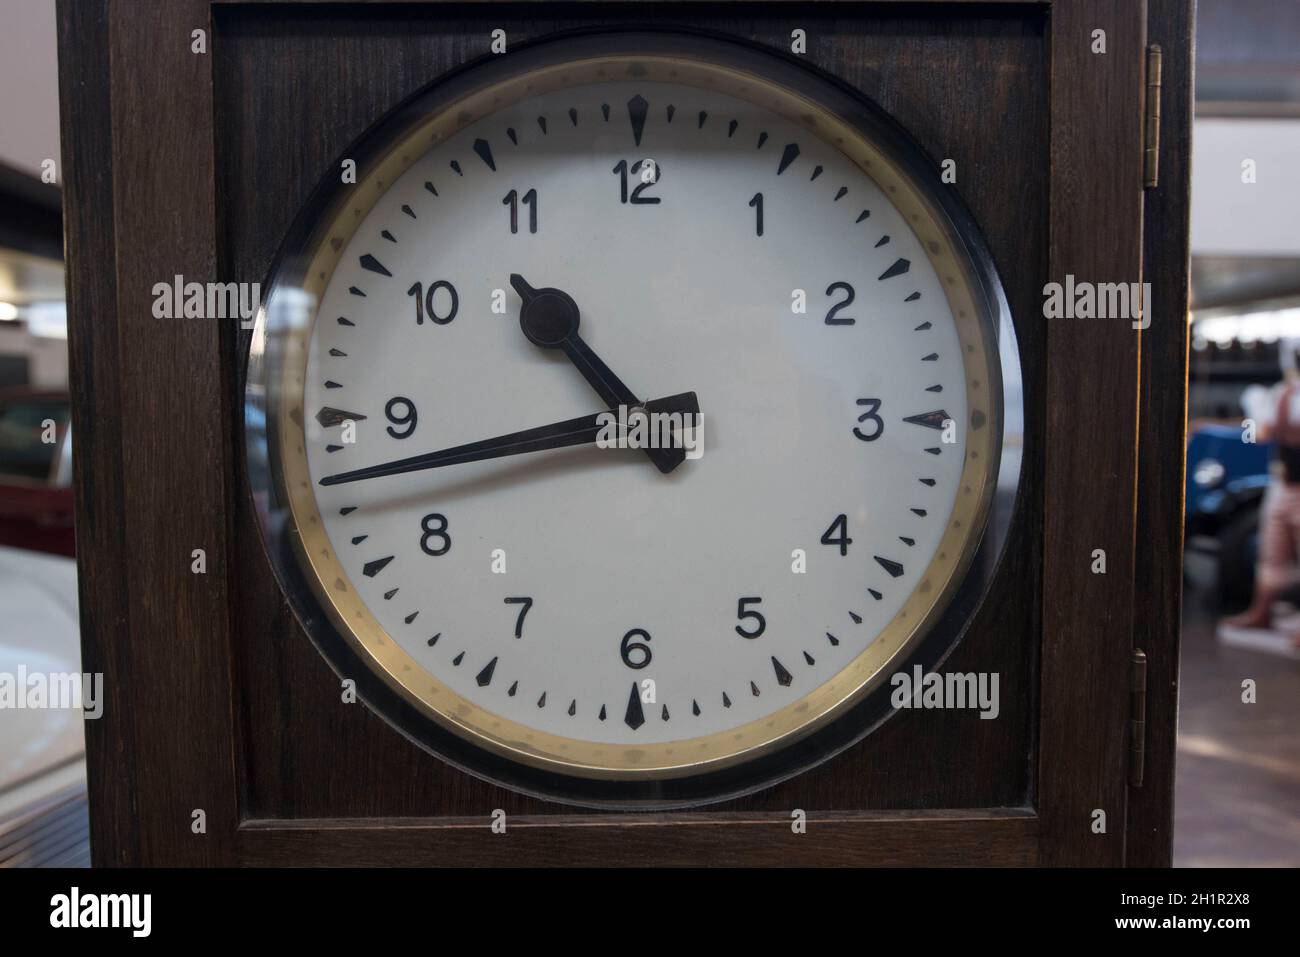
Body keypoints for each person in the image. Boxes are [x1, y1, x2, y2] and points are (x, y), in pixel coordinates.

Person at [1225, 357, 1300, 635]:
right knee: (1272, 551)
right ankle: (1262, 611)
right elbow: (1262, 434)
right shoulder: (1282, 393)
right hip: (1282, 482)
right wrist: (1257, 407)